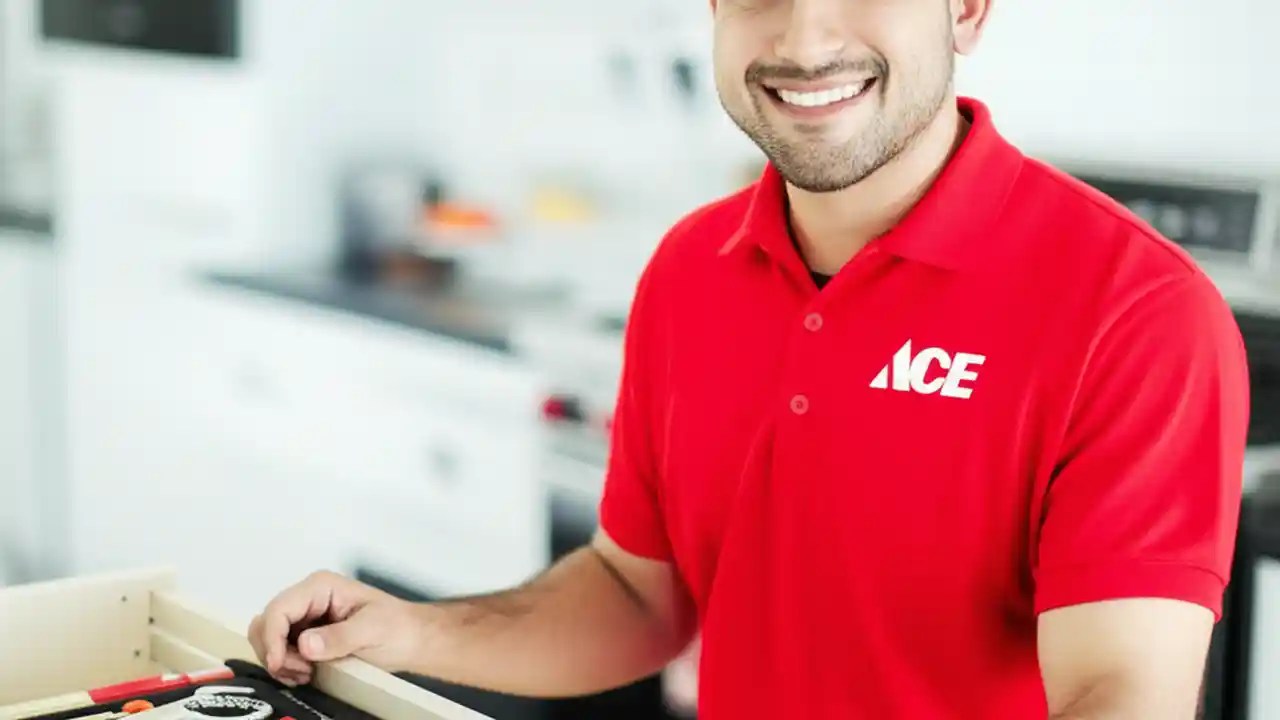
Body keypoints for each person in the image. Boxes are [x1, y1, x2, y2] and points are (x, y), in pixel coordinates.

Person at [248, 1, 1252, 717]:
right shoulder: (690, 270)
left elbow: (1117, 691)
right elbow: (639, 596)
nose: (804, 40)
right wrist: (411, 632)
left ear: (967, 9)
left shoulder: (1134, 311)